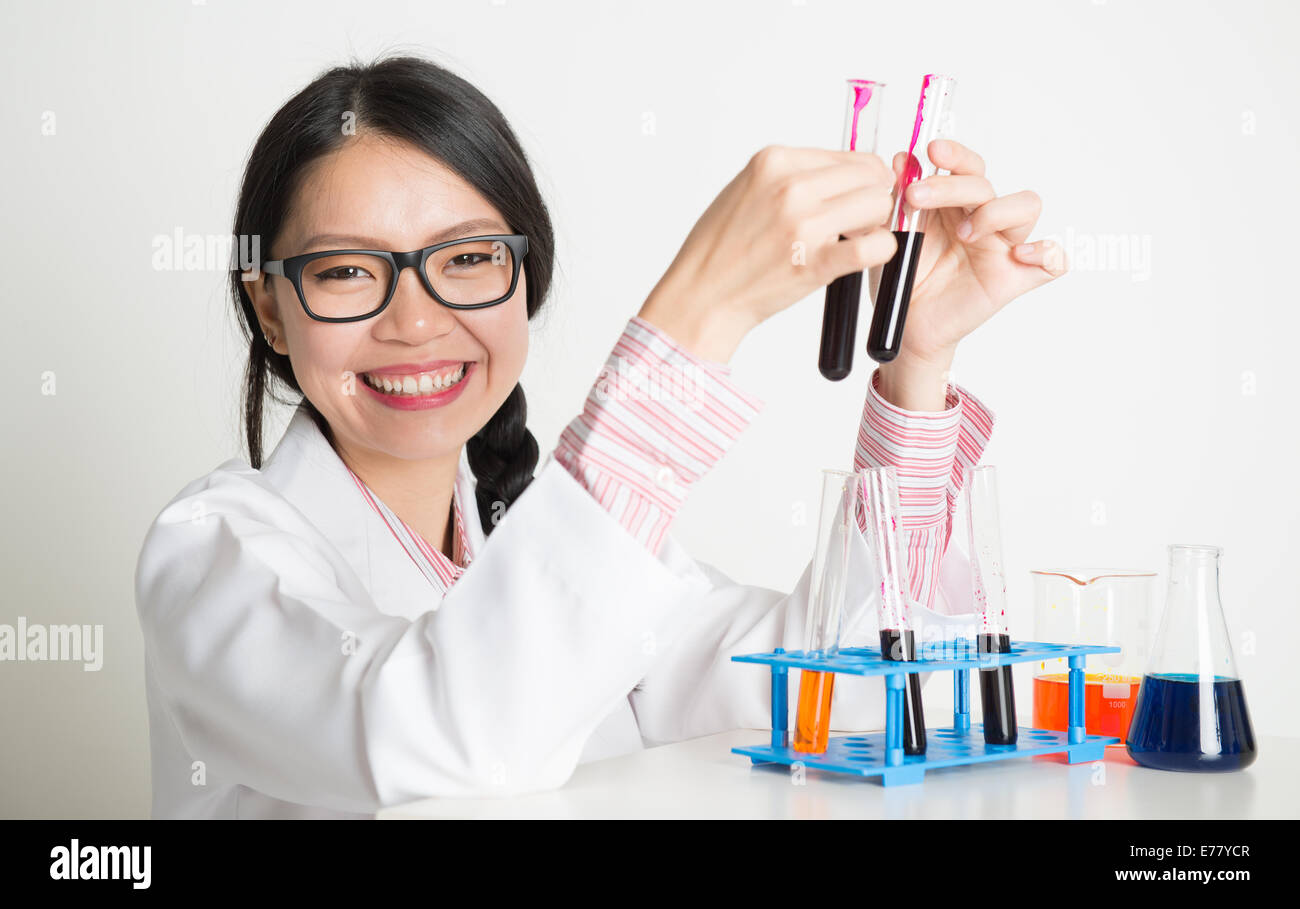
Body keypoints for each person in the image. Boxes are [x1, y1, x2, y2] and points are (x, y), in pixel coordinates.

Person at [134, 55, 1066, 818]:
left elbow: (831, 690)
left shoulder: (550, 538)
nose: (415, 322)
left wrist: (916, 368)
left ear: (523, 282)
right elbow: (436, 735)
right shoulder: (215, 552)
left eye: (467, 259)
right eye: (347, 272)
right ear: (270, 309)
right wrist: (699, 315)